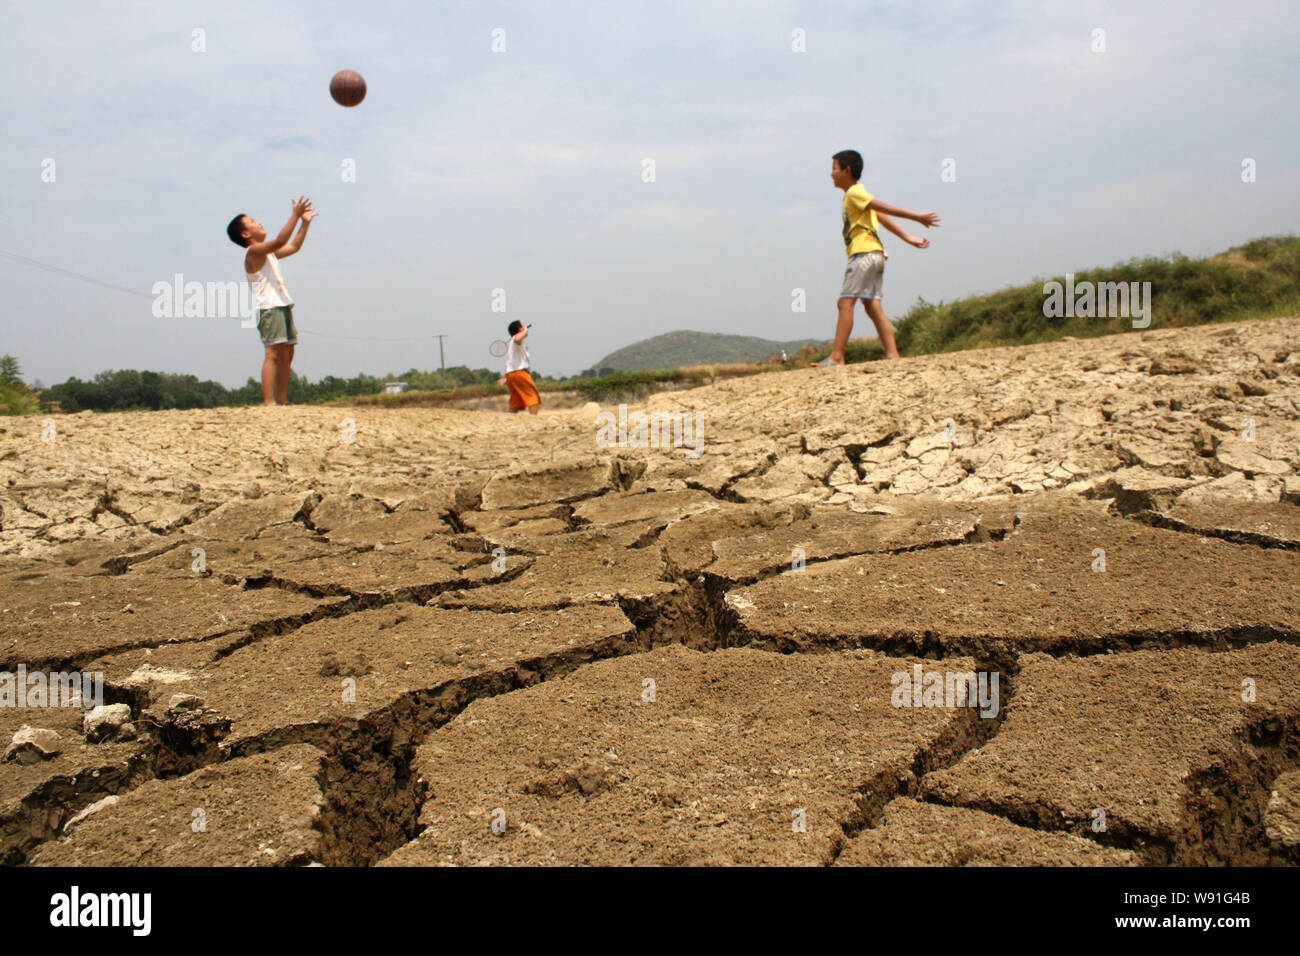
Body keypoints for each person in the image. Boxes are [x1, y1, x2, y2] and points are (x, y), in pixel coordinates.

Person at [823, 150, 939, 366]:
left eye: (834, 169)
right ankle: (892, 354)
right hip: (876, 256)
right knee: (872, 305)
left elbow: (884, 207)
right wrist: (907, 237)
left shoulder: (853, 194)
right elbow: (881, 217)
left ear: (847, 170)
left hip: (863, 254)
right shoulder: (858, 196)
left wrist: (917, 217)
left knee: (845, 303)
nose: (831, 174)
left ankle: (837, 356)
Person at [225, 197, 315, 405]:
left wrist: (305, 223)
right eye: (253, 222)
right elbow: (280, 242)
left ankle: (282, 401)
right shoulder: (253, 251)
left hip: (282, 305)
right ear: (246, 234)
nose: (259, 223)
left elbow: (293, 247)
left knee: (288, 354)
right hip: (270, 308)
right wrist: (294, 215)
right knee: (273, 353)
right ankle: (269, 402)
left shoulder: (269, 253)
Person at [496, 320, 541, 414]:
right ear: (519, 329)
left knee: (515, 401)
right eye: (522, 325)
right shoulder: (516, 339)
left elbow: (510, 361)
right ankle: (534, 419)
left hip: (511, 373)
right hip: (520, 372)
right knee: (532, 396)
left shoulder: (512, 343)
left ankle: (511, 420)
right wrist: (525, 331)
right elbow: (518, 339)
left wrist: (506, 378)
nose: (524, 326)